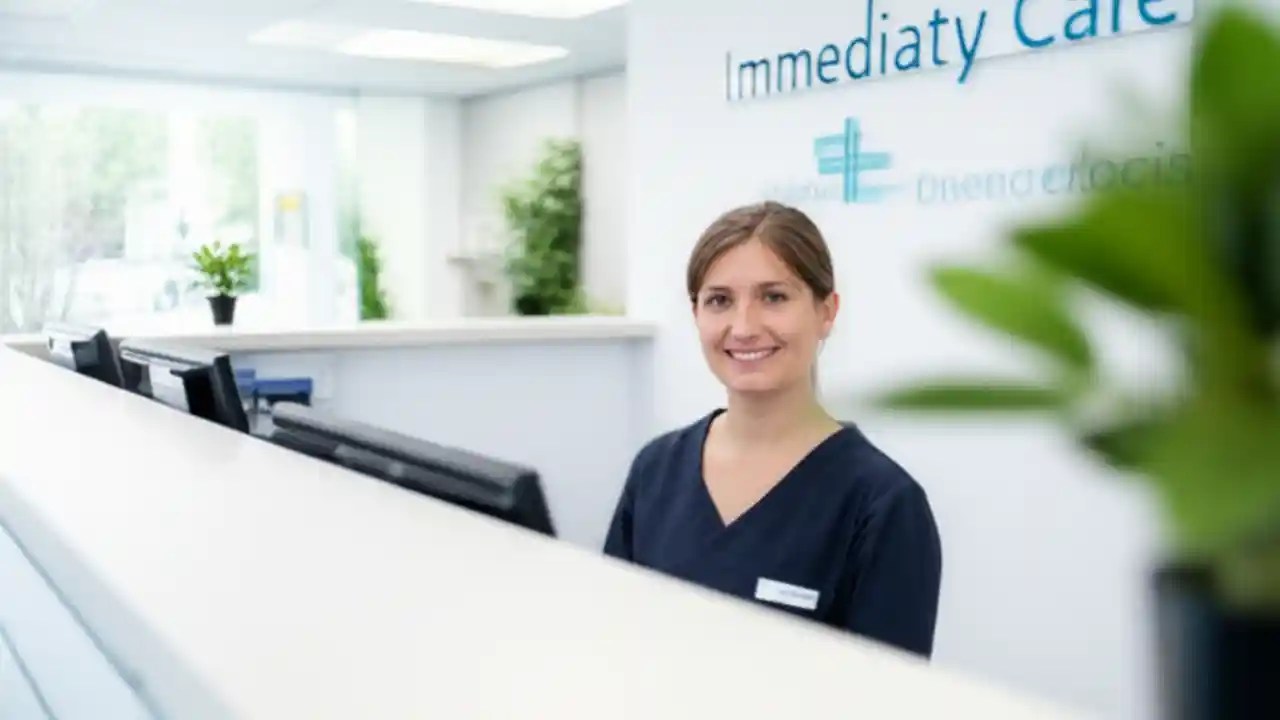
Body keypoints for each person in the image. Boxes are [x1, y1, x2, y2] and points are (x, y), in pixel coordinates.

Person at [603, 201, 942, 658]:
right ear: (696, 314)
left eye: (774, 297)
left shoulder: (882, 504)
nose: (743, 327)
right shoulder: (656, 469)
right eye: (719, 300)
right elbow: (610, 641)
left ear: (826, 311)